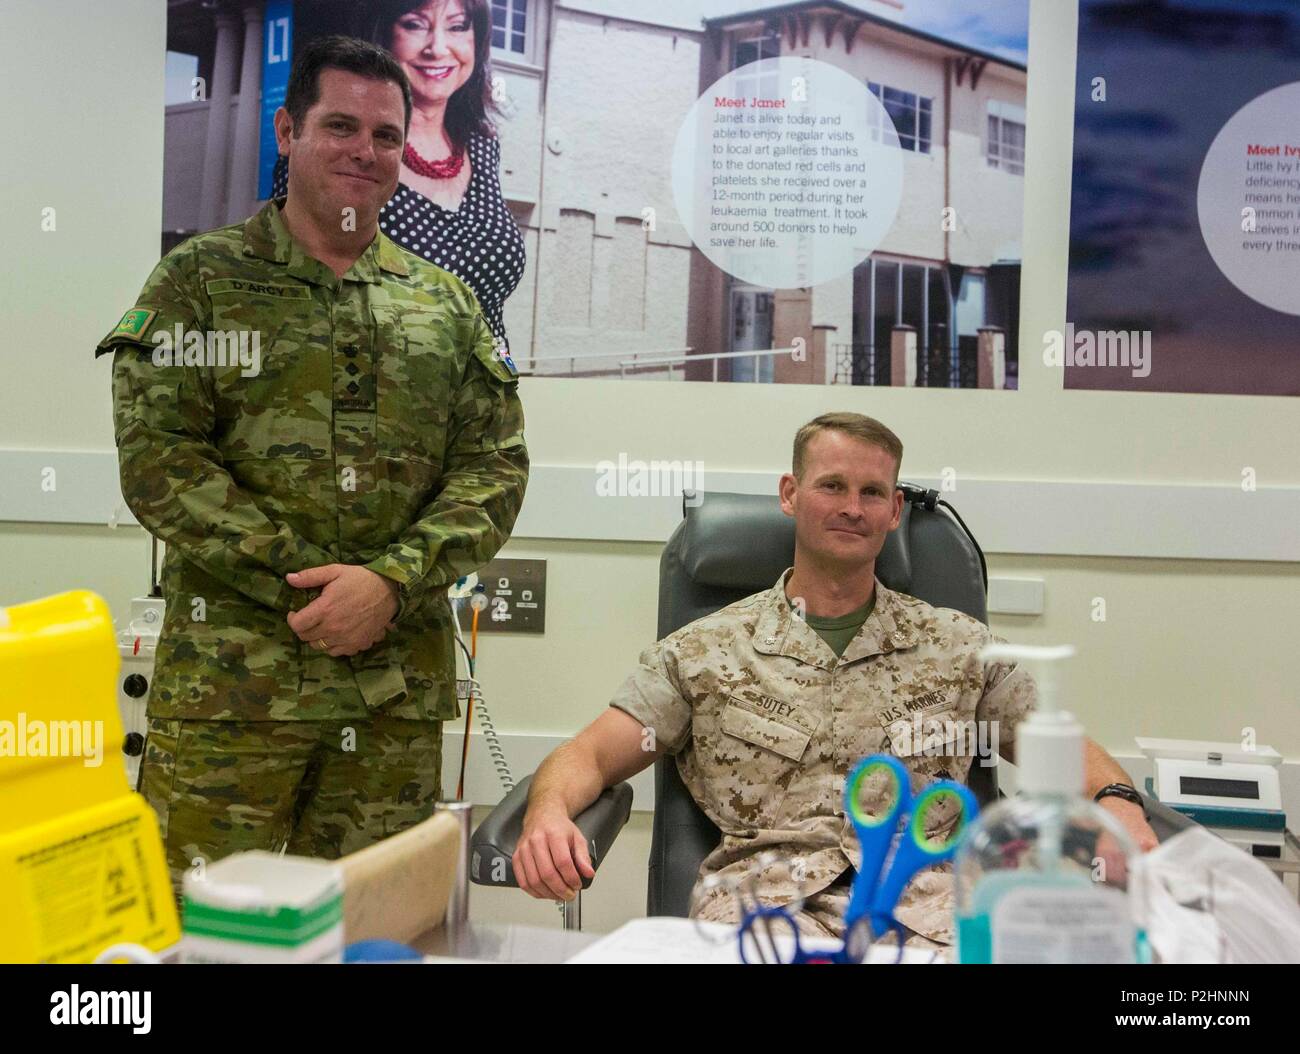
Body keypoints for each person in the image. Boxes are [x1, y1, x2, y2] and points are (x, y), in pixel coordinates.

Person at [96, 35, 528, 897]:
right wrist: (311, 583)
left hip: (389, 707)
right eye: (340, 126)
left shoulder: (444, 303)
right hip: (233, 697)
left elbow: (494, 469)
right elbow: (160, 462)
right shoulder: (201, 284)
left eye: (385, 136)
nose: (364, 152)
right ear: (288, 130)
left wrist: (391, 584)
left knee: (379, 932)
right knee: (196, 935)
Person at [514, 413, 1156, 948]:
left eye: (873, 493)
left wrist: (1118, 805)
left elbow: (1062, 749)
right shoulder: (703, 651)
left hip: (933, 914)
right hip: (761, 913)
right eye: (832, 486)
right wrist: (546, 813)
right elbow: (589, 755)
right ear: (790, 494)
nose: (853, 508)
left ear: (896, 510)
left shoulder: (961, 647)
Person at [271, 0, 524, 353]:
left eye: (457, 26)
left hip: (485, 395)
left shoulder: (482, 147)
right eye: (415, 24)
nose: (438, 48)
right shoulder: (333, 152)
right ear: (382, 33)